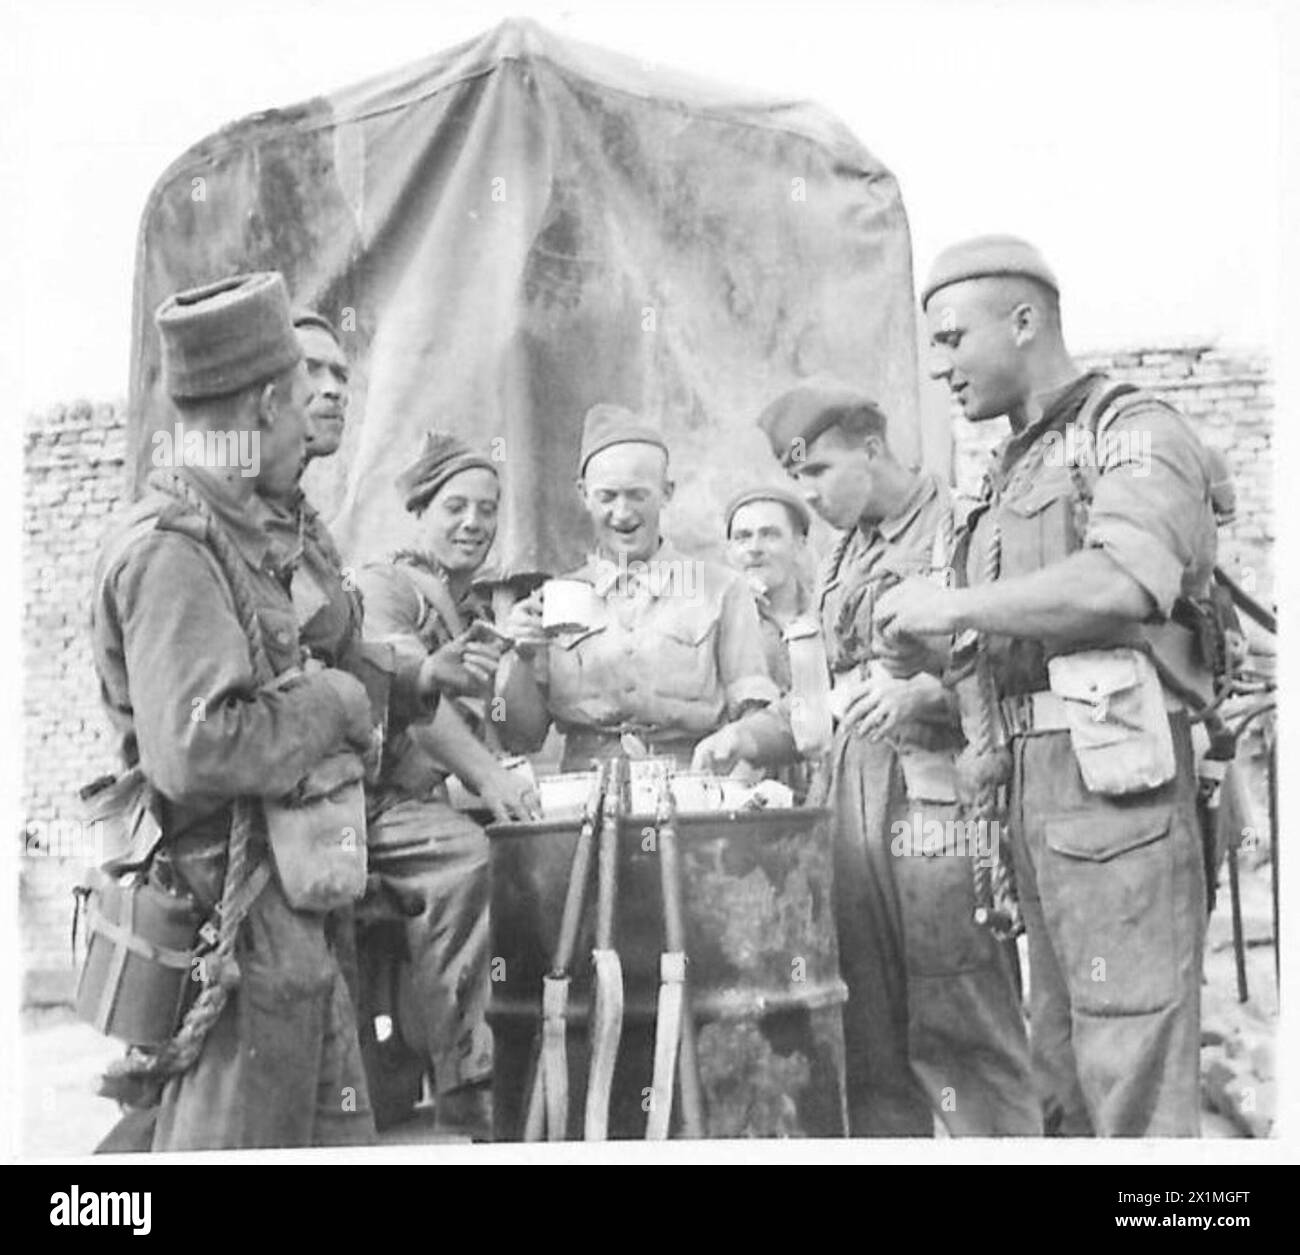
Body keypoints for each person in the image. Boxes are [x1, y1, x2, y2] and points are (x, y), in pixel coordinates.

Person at [89, 272, 444, 1149]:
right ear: (262, 404)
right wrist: (329, 703)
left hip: (288, 924)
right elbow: (197, 747)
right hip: (230, 936)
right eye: (299, 399)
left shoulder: (243, 530)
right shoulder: (174, 552)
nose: (314, 417)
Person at [877, 235, 1216, 1136]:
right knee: (1059, 1072)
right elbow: (1004, 630)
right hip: (1031, 792)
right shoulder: (1012, 466)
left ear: (1024, 321)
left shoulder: (1131, 428)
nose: (939, 367)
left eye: (952, 339)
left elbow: (1123, 582)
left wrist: (952, 602)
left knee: (1131, 1059)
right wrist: (933, 650)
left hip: (1115, 785)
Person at [757, 382, 1039, 1137]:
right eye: (798, 478)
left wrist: (927, 698)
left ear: (872, 448)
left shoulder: (964, 529)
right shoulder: (850, 550)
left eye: (817, 471)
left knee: (959, 1012)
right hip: (851, 797)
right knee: (871, 1031)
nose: (807, 495)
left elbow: (1020, 671)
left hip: (937, 801)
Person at [354, 430, 538, 1133]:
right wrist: (490, 778)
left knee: (541, 851)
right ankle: (475, 1078)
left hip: (423, 800)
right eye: (455, 506)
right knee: (468, 862)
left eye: (488, 510)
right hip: (369, 801)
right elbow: (414, 704)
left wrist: (520, 651)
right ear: (420, 513)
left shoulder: (477, 609)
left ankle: (534, 1043)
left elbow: (523, 731)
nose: (474, 523)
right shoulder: (386, 585)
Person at [497, 403, 791, 774]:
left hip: (689, 782)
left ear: (666, 493)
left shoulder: (720, 589)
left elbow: (754, 711)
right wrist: (520, 659)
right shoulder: (557, 597)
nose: (622, 514)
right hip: (586, 791)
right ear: (583, 494)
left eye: (637, 495)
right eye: (607, 496)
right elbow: (519, 737)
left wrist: (732, 792)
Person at [723, 485, 814, 691]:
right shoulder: (713, 624)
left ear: (799, 546)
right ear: (729, 552)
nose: (754, 548)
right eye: (742, 538)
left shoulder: (828, 614)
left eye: (770, 535)